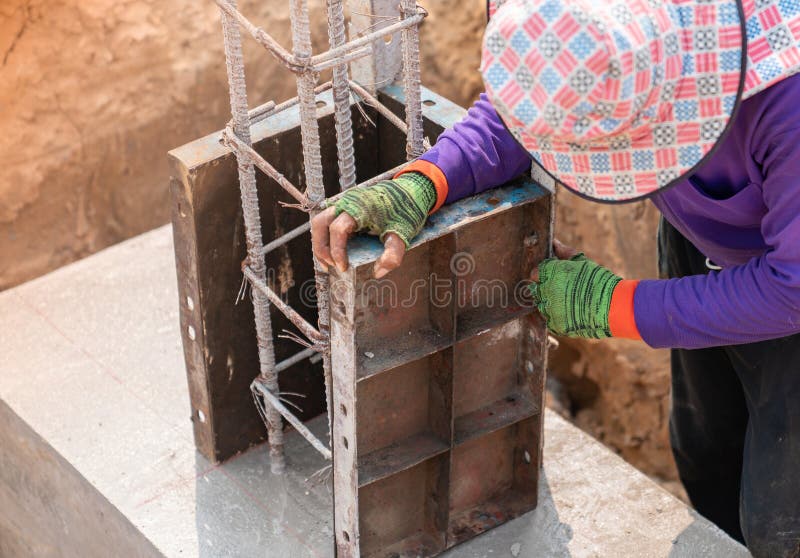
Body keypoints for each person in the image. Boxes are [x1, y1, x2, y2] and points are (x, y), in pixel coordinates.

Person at [311, 0, 800, 554]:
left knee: (780, 522)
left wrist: (616, 307)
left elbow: (791, 287)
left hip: (789, 288)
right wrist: (427, 179)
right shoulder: (603, 29)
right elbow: (533, 110)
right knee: (705, 447)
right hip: (707, 241)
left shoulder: (787, 103)